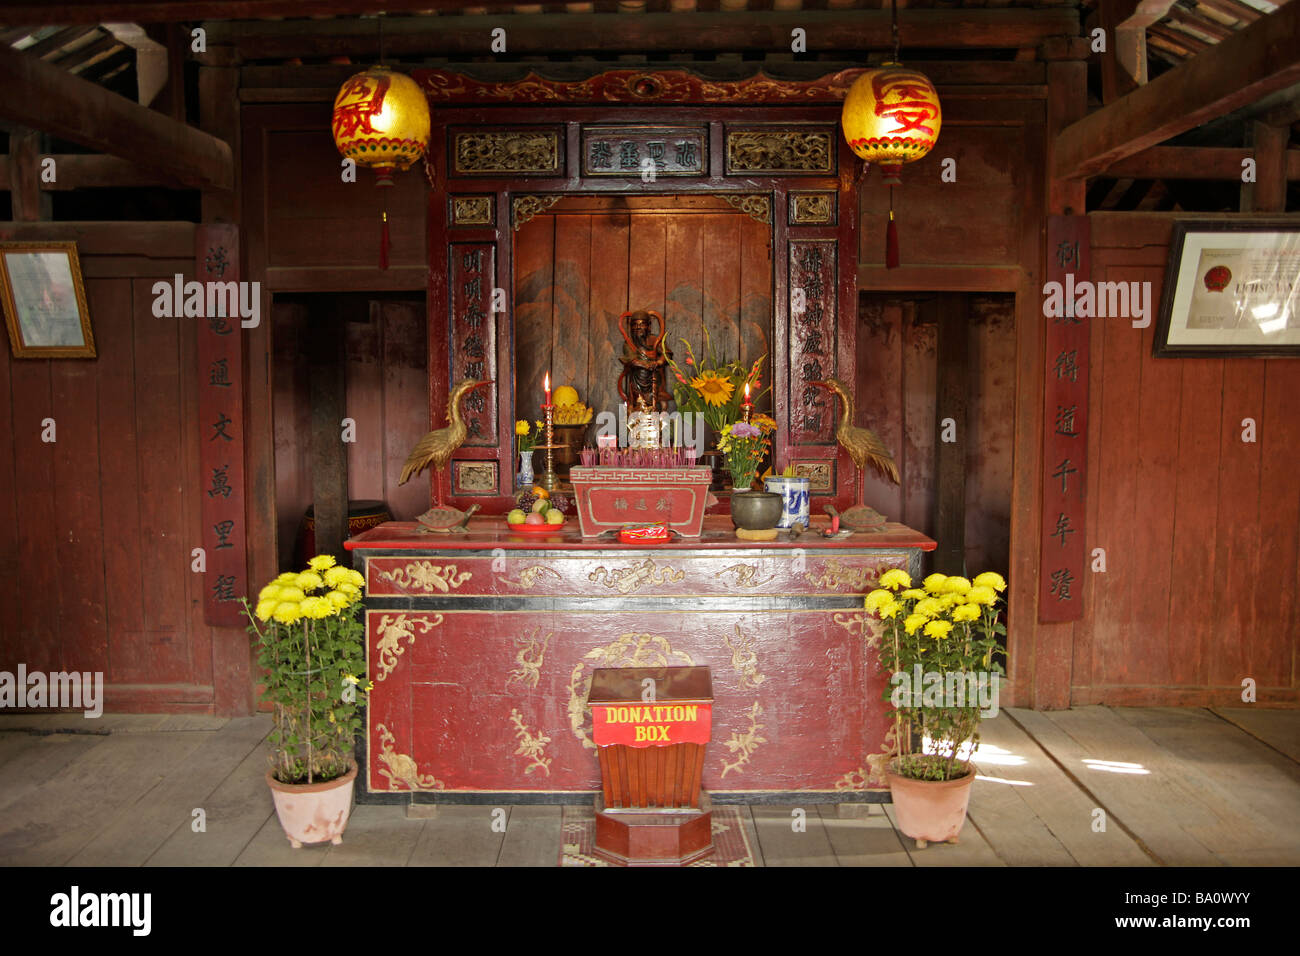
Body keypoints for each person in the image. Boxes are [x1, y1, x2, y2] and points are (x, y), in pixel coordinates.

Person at [617, 309, 672, 411]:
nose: (638, 328)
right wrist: (645, 365)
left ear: (649, 326)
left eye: (642, 324)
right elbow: (631, 360)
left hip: (654, 378)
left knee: (657, 402)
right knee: (637, 403)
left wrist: (659, 361)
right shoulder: (628, 343)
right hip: (637, 380)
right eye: (635, 325)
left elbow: (666, 353)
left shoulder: (655, 340)